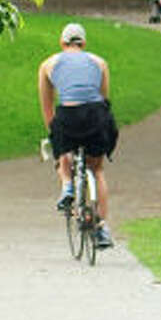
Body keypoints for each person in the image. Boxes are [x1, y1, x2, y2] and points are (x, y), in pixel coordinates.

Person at [39, 21, 119, 250]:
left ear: (61, 43)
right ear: (83, 43)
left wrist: (55, 136)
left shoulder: (48, 64)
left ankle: (66, 185)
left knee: (63, 152)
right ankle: (102, 226)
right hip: (95, 115)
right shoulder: (99, 63)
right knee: (97, 169)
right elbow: (104, 99)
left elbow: (48, 107)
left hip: (67, 116)